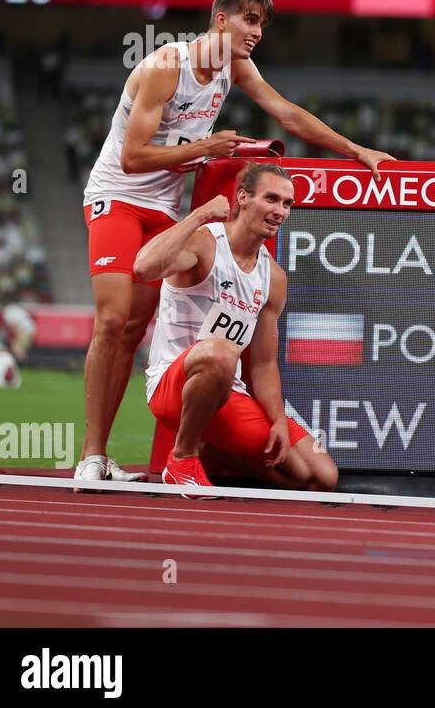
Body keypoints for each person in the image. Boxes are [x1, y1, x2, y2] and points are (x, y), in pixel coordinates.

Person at [76, 0, 394, 484]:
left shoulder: (235, 67)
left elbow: (287, 113)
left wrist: (356, 150)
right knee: (113, 322)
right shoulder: (165, 67)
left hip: (166, 205)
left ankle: (173, 450)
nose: (257, 33)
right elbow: (133, 158)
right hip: (119, 197)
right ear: (220, 20)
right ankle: (92, 455)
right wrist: (206, 148)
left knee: (137, 329)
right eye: (249, 20)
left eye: (262, 24)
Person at [133, 163, 336, 495]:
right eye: (271, 199)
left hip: (229, 394)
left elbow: (263, 364)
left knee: (318, 476)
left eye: (287, 204)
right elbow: (143, 267)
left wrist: (278, 421)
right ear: (243, 198)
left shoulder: (273, 278)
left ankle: (212, 453)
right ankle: (182, 458)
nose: (280, 211)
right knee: (221, 352)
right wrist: (198, 215)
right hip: (173, 388)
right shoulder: (204, 243)